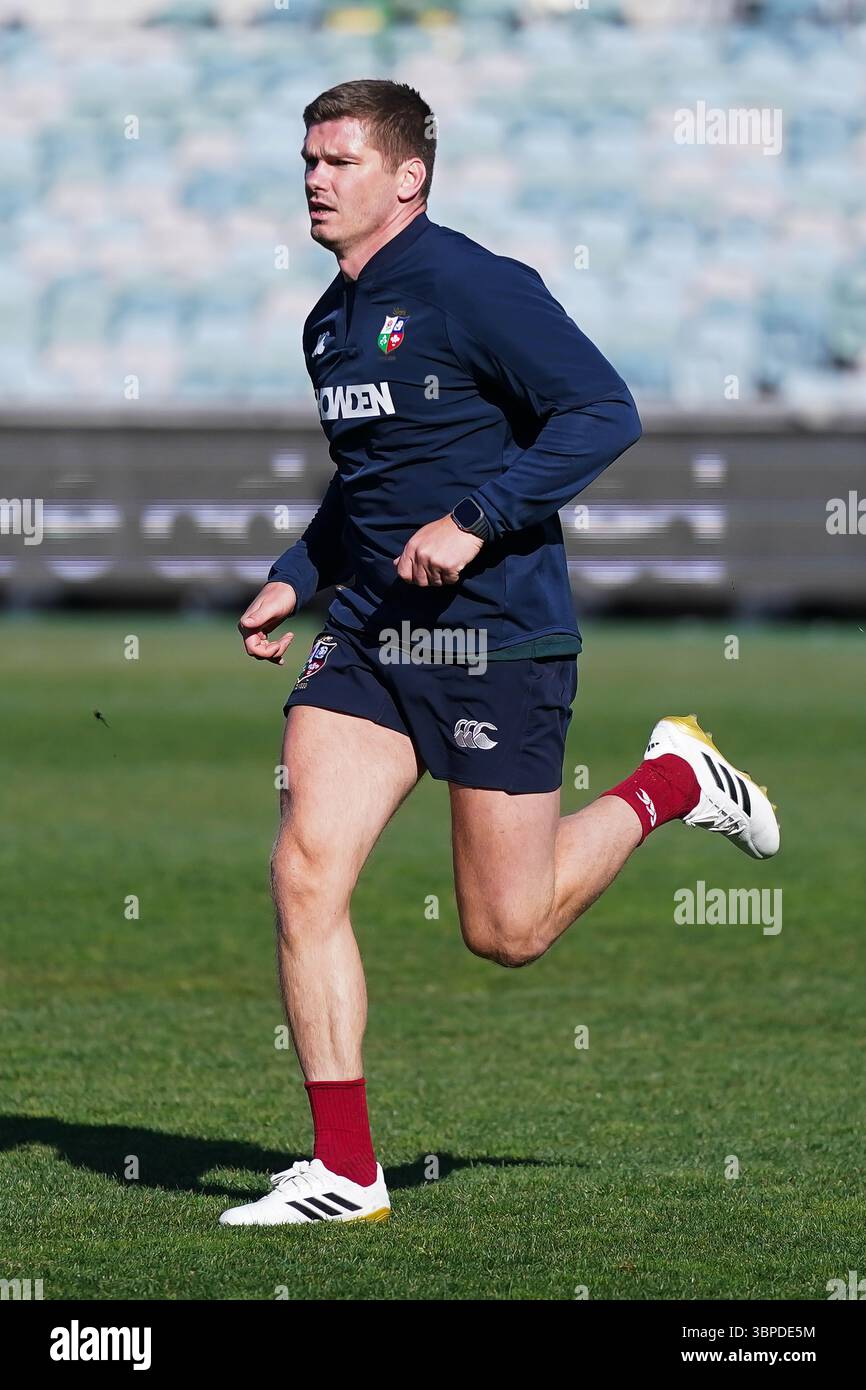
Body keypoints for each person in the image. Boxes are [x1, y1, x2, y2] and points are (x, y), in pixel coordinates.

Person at [220, 79, 779, 1229]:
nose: (316, 180)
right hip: (371, 635)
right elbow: (366, 490)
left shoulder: (476, 285)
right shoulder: (327, 321)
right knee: (302, 870)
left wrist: (474, 518)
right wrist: (296, 570)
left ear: (406, 178)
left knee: (505, 930)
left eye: (339, 161)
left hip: (497, 639)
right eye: (307, 160)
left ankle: (673, 778)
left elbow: (600, 410)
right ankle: (345, 1168)